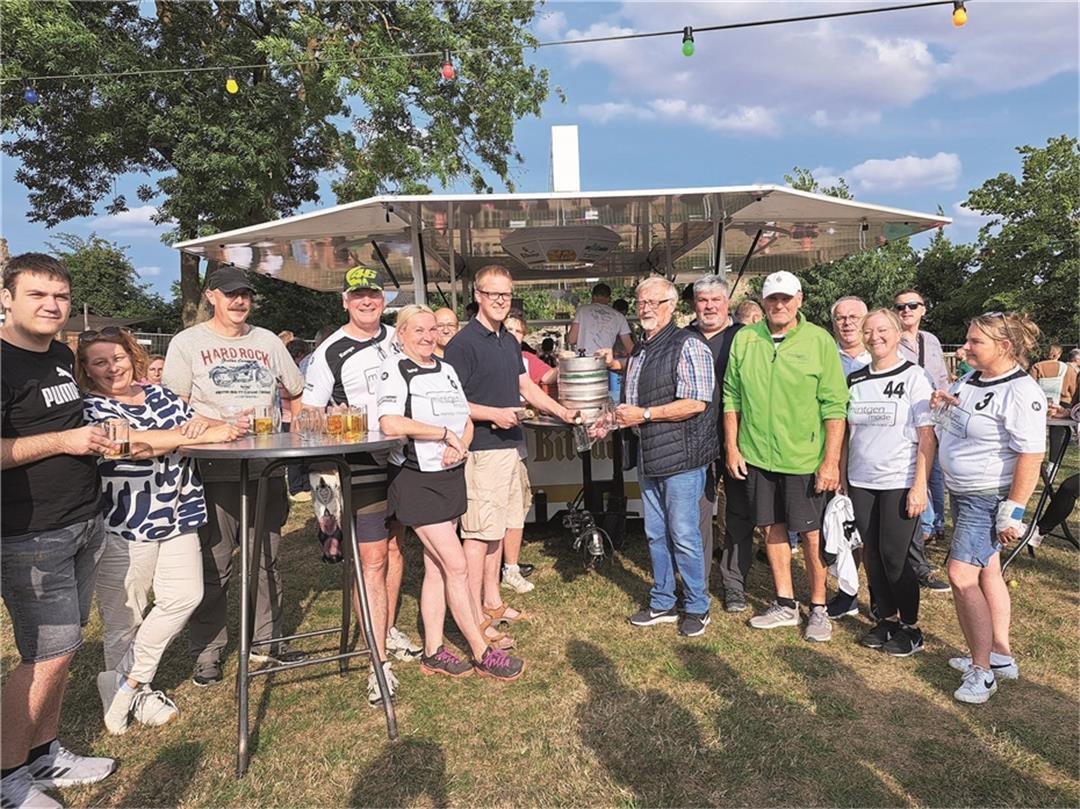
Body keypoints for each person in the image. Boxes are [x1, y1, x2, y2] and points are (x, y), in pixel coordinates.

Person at [77, 327, 243, 734]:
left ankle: (127, 682)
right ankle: (138, 692)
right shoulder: (90, 408)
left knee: (185, 596)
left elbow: (205, 424)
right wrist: (175, 438)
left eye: (116, 357)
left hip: (179, 512)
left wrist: (205, 428)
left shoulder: (160, 394)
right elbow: (125, 445)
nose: (111, 367)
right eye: (99, 361)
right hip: (124, 522)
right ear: (86, 369)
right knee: (125, 616)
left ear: (131, 356)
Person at [1, 253, 116, 809]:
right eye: (37, 295)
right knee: (45, 655)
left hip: (82, 519)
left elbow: (65, 423)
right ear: (7, 298)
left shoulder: (59, 357)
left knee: (64, 651)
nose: (51, 305)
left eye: (61, 296)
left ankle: (44, 753)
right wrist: (63, 443)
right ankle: (6, 781)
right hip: (29, 534)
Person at [162, 266, 307, 688]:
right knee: (215, 563)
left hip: (266, 466)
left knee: (267, 559)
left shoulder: (266, 341)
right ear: (211, 296)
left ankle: (269, 642)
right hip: (212, 467)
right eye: (230, 295)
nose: (239, 301)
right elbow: (174, 404)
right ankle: (207, 653)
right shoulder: (187, 343)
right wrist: (218, 422)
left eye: (245, 294)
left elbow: (295, 392)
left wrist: (294, 436)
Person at [377, 305, 526, 681]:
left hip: (449, 476)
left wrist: (459, 440)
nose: (427, 336)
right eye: (418, 331)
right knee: (457, 565)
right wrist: (441, 434)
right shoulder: (394, 369)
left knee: (435, 568)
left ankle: (433, 651)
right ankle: (481, 650)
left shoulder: (445, 370)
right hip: (415, 478)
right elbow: (390, 421)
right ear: (401, 334)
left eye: (433, 330)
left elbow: (464, 417)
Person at [300, 264, 422, 704]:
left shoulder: (398, 336)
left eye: (373, 294)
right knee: (371, 559)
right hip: (359, 463)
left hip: (404, 458)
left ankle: (385, 631)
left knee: (394, 548)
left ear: (384, 299)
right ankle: (378, 665)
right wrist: (334, 422)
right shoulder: (330, 350)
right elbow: (307, 414)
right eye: (357, 296)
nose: (366, 301)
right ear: (345, 302)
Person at [444, 265, 578, 650]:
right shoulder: (463, 344)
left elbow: (524, 387)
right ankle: (474, 619)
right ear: (478, 296)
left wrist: (561, 412)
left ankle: (492, 602)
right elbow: (451, 404)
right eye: (493, 294)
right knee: (478, 538)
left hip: (510, 448)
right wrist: (492, 414)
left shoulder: (508, 341)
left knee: (498, 532)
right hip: (482, 451)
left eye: (506, 295)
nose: (501, 301)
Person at [724, 271, 848, 642]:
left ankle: (819, 607)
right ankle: (785, 603)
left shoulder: (818, 340)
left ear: (799, 300)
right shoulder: (745, 339)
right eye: (772, 299)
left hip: (804, 459)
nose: (779, 305)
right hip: (757, 455)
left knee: (811, 535)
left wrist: (830, 461)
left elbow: (835, 405)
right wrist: (732, 446)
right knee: (770, 528)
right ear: (763, 303)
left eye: (785, 299)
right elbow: (732, 397)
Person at [934, 312, 1045, 703]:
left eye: (974, 342)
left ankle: (982, 672)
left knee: (961, 575)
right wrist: (942, 404)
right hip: (962, 491)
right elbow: (959, 421)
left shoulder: (1020, 391)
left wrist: (1012, 509)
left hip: (987, 495)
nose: (965, 348)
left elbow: (1031, 454)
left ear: (1004, 347)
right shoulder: (970, 379)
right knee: (988, 571)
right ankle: (999, 655)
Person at [604, 276, 717, 637]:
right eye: (641, 303)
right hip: (649, 454)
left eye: (654, 302)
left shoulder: (689, 344)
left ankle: (698, 606)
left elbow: (696, 402)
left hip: (682, 456)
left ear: (672, 306)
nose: (646, 309)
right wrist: (614, 418)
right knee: (655, 533)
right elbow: (634, 402)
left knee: (683, 534)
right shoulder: (639, 348)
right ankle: (664, 600)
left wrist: (645, 415)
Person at [843, 309, 936, 656]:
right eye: (868, 330)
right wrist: (841, 476)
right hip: (861, 479)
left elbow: (927, 437)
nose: (874, 336)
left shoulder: (915, 377)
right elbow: (846, 432)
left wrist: (919, 485)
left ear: (897, 333)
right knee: (872, 555)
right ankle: (887, 619)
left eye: (882, 330)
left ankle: (911, 628)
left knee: (895, 556)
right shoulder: (855, 378)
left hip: (899, 478)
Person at [684, 275, 751, 612]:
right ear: (694, 304)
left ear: (727, 303)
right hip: (693, 440)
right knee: (696, 515)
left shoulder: (746, 338)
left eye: (715, 300)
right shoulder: (682, 339)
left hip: (739, 440)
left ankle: (734, 583)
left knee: (737, 514)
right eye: (702, 300)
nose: (709, 306)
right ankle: (698, 583)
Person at [893, 289, 950, 591]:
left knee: (937, 474)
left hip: (937, 416)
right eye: (900, 306)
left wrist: (949, 405)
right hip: (907, 422)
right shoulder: (891, 340)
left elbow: (942, 377)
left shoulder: (931, 341)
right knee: (917, 476)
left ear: (923, 310)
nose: (906, 310)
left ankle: (935, 526)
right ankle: (924, 532)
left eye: (912, 306)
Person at [827, 296, 871, 619]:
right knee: (845, 527)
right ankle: (847, 591)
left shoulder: (883, 356)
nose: (847, 323)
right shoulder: (827, 357)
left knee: (873, 533)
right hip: (837, 453)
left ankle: (881, 597)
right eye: (840, 317)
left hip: (875, 458)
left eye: (854, 316)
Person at [1030, 344, 1077, 461]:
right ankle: (1053, 463)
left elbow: (1031, 387)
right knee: (1057, 435)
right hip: (1062, 405)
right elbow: (1074, 389)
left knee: (1035, 433)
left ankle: (1036, 461)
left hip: (1040, 404)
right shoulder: (1068, 369)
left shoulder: (1037, 366)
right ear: (1060, 354)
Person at [568, 282, 633, 358]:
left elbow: (572, 339)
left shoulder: (582, 310)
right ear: (609, 298)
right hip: (604, 361)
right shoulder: (619, 316)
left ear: (593, 297)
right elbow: (630, 347)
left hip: (583, 361)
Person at [506, 313, 557, 388]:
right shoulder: (487, 355)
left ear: (523, 337)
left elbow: (548, 376)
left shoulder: (527, 358)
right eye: (509, 329)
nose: (513, 334)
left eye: (518, 331)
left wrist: (565, 363)